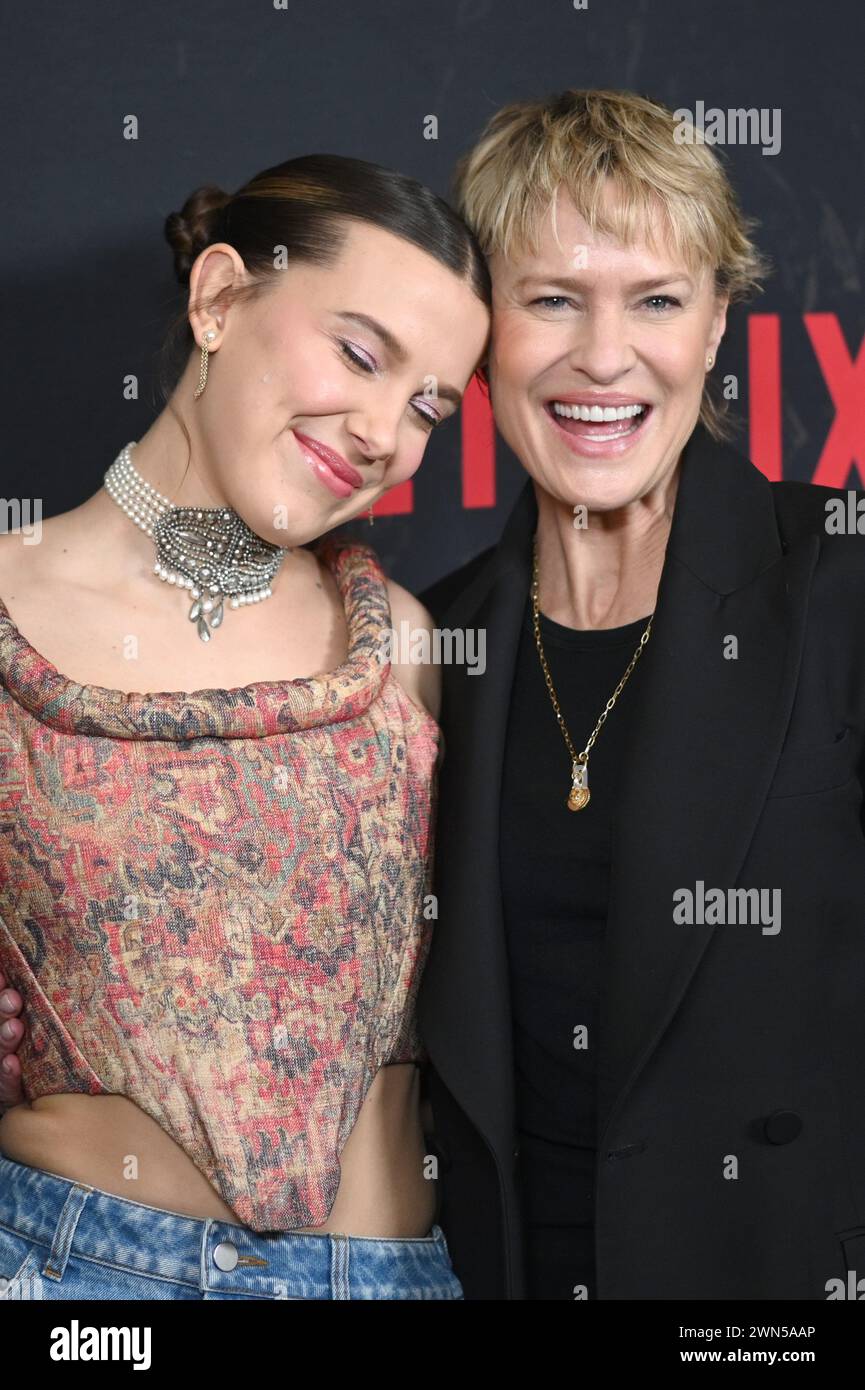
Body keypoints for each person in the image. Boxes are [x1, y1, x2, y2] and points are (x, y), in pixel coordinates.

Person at [0, 152, 490, 1300]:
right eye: (360, 355)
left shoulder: (412, 648)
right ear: (220, 296)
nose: (383, 431)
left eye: (427, 406)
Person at [412, 88, 865, 1299]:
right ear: (482, 329)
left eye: (656, 300)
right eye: (551, 298)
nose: (602, 357)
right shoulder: (429, 642)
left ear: (716, 323)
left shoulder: (840, 589)